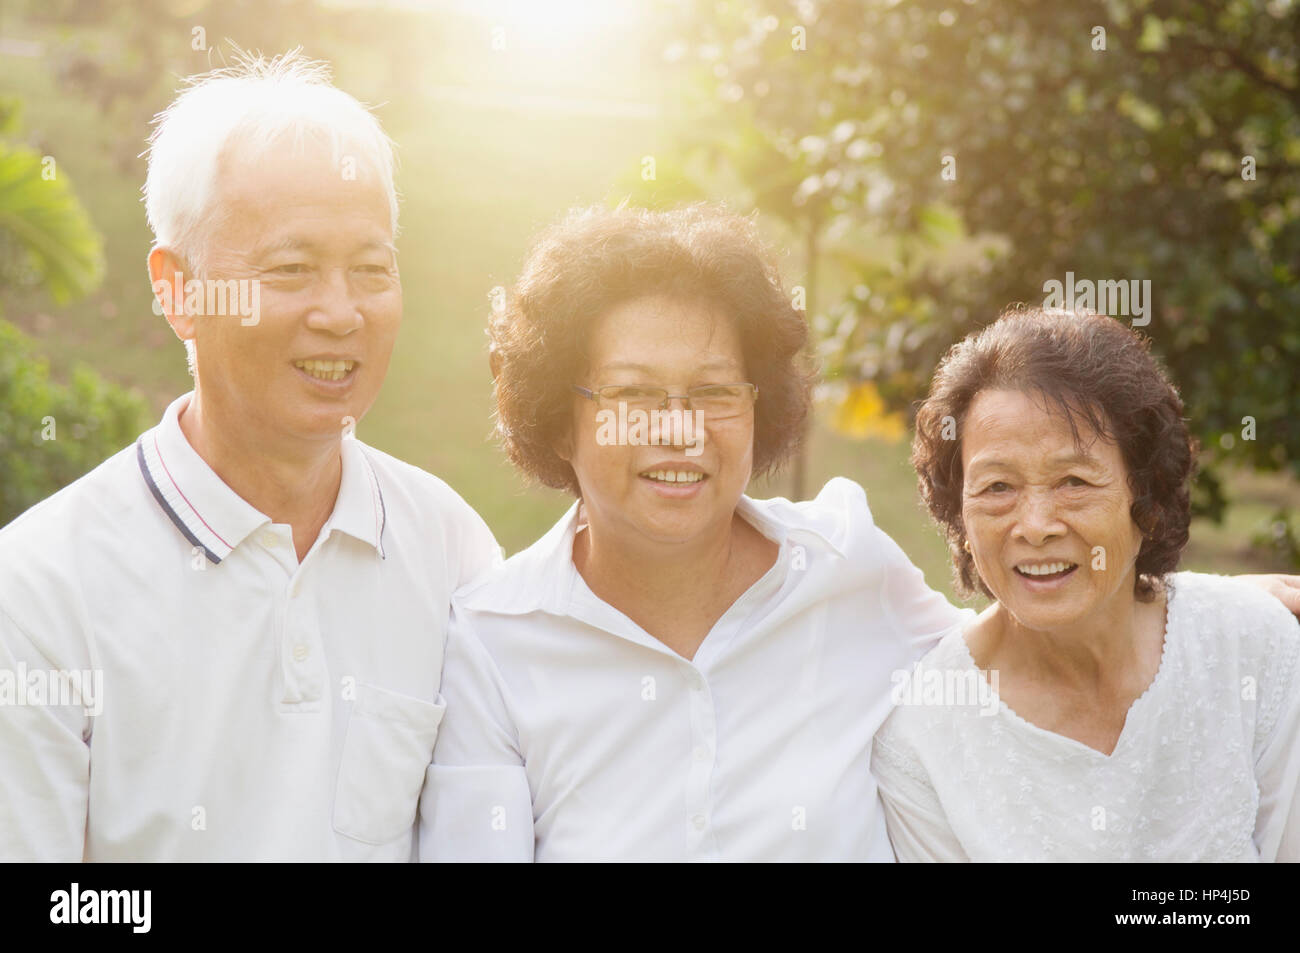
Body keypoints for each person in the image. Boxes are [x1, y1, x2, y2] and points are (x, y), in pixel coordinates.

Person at [417, 204, 1299, 862]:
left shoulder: (844, 567)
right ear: (558, 419)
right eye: (635, 396)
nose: (679, 431)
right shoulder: (498, 642)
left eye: (716, 392)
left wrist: (1204, 618)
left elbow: (1011, 633)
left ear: (760, 408)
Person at [0, 51, 498, 861]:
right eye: (291, 269)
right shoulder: (40, 590)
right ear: (178, 291)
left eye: (372, 269)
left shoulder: (453, 552)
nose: (340, 312)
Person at [871, 307, 1300, 861]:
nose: (1035, 525)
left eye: (1073, 481)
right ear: (959, 513)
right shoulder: (922, 735)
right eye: (997, 486)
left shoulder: (1257, 649)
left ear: (1142, 496)